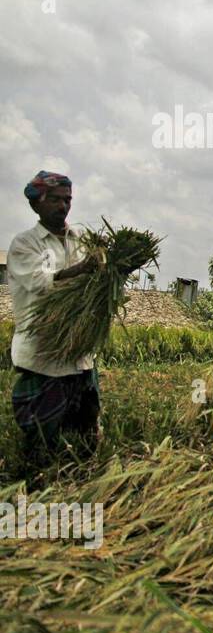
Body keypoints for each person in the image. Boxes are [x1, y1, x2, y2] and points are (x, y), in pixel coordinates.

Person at [8, 171, 104, 468]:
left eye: (67, 200)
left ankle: (81, 484)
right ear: (36, 204)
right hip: (43, 355)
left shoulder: (81, 241)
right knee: (40, 440)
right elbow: (40, 282)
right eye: (55, 200)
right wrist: (82, 270)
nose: (63, 206)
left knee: (86, 436)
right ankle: (36, 489)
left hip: (79, 356)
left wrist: (108, 264)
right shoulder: (25, 244)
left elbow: (96, 280)